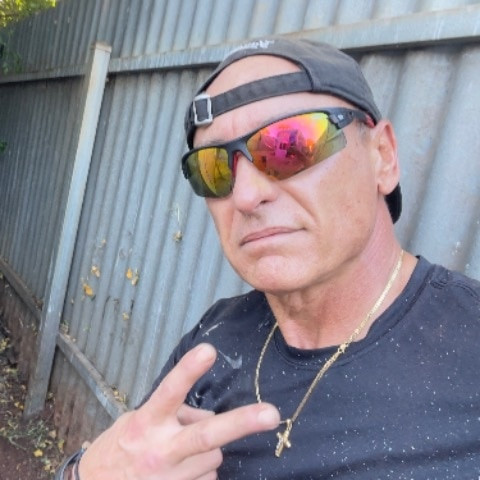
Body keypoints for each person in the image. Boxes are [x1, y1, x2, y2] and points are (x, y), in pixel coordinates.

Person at [55, 38, 480, 479]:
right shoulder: (213, 340)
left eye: (288, 146)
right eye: (214, 168)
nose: (245, 195)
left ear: (383, 156)